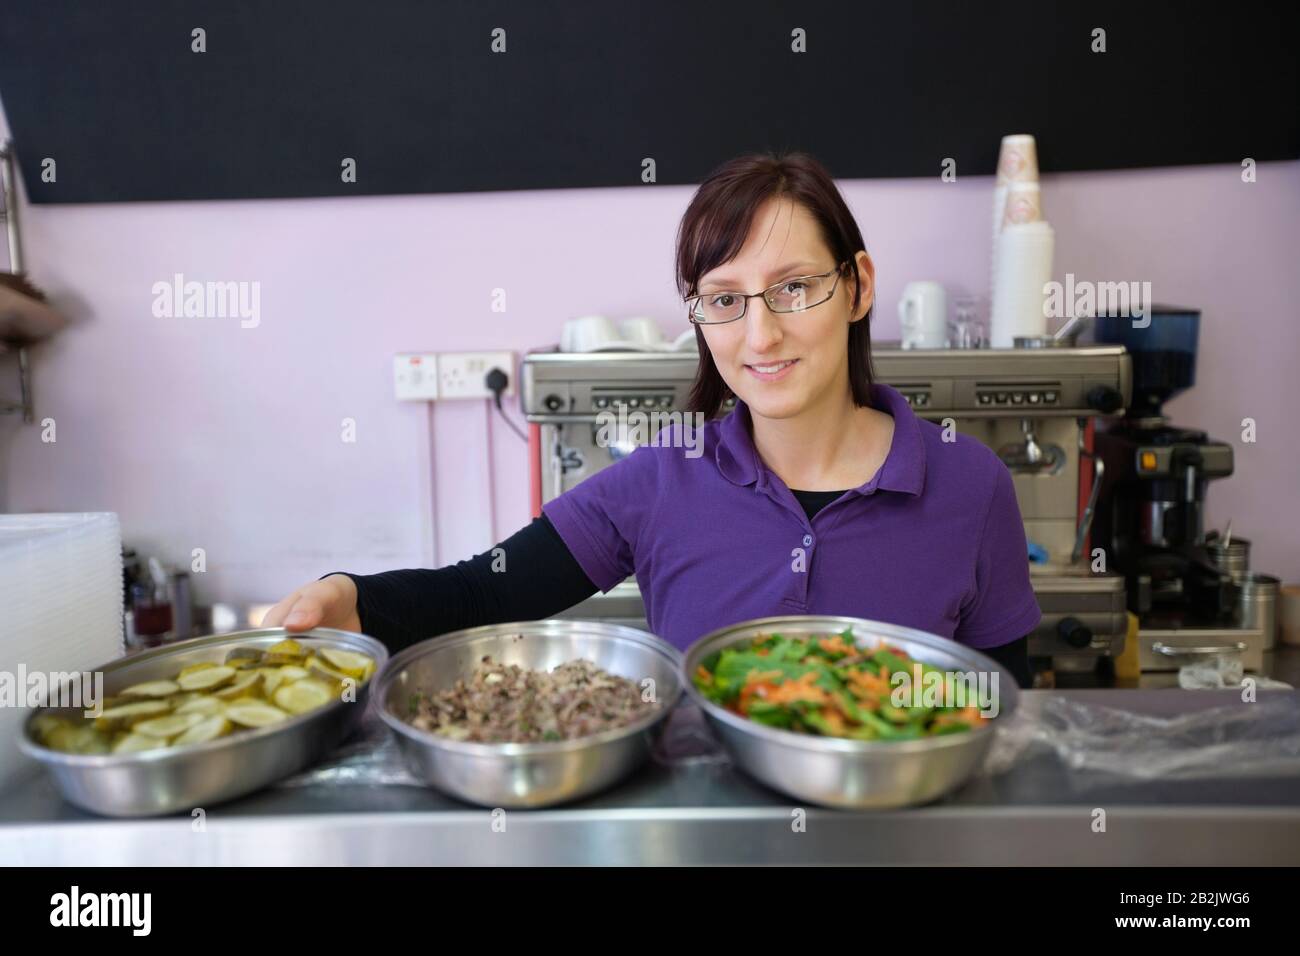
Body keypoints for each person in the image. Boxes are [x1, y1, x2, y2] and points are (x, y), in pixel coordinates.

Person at [263, 152, 1040, 686]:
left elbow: (998, 695)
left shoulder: (970, 485)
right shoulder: (662, 478)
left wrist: (871, 708)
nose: (761, 334)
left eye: (795, 287)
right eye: (725, 299)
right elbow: (483, 595)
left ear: (859, 286)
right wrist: (351, 596)